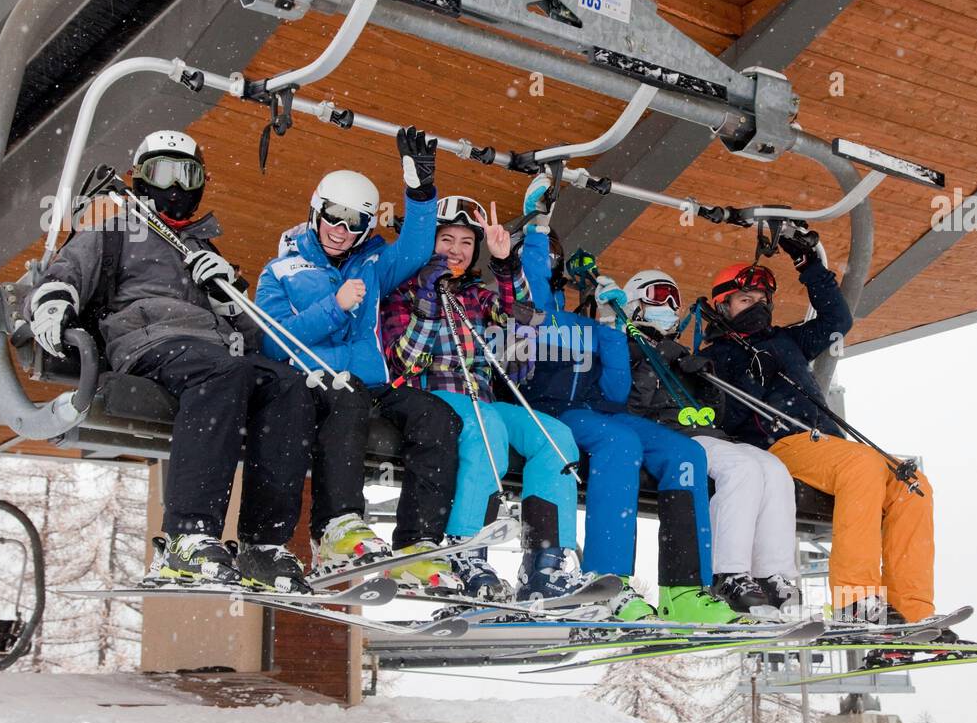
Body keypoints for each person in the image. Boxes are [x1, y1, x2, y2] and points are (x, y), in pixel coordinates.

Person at [27, 130, 314, 591]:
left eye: (188, 174)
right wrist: (53, 301)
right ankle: (189, 534)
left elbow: (249, 337)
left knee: (287, 387)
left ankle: (263, 545)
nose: (176, 186)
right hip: (147, 341)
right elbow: (67, 270)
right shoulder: (116, 229)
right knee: (222, 372)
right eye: (164, 173)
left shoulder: (205, 250)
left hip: (214, 354)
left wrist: (227, 300)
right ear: (140, 179)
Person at [518, 176, 748, 625]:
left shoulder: (591, 326)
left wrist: (611, 327)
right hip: (551, 410)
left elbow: (617, 392)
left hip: (597, 411)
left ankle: (684, 589)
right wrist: (537, 227)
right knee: (619, 443)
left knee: (685, 453)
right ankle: (608, 579)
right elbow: (534, 281)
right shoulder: (539, 314)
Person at [255, 127, 465, 591]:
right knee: (346, 396)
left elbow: (414, 248)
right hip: (315, 385)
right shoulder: (282, 271)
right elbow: (274, 341)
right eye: (334, 216)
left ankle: (417, 543)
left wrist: (421, 191)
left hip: (372, 385)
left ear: (367, 229)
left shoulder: (371, 264)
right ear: (316, 210)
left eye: (355, 223)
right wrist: (336, 307)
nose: (341, 230)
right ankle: (335, 527)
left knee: (438, 418)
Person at [703, 229, 936, 623]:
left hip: (824, 443)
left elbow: (836, 321)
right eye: (746, 299)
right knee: (861, 467)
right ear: (722, 305)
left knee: (912, 486)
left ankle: (910, 611)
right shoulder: (716, 357)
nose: (757, 306)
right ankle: (855, 601)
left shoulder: (787, 340)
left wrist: (809, 266)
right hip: (780, 445)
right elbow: (724, 417)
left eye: (763, 300)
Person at [381, 195, 577, 600]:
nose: (456, 250)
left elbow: (521, 328)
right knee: (485, 428)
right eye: (446, 239)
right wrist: (430, 301)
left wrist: (506, 267)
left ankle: (545, 562)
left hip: (482, 398)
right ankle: (466, 551)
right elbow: (405, 362)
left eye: (466, 243)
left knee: (555, 437)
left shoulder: (476, 296)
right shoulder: (403, 289)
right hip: (430, 394)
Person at [618, 268, 801, 616]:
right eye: (659, 297)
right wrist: (650, 365)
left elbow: (714, 413)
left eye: (674, 300)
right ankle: (728, 571)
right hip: (669, 437)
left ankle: (772, 574)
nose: (669, 306)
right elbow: (627, 406)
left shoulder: (678, 352)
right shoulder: (627, 349)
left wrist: (706, 380)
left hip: (707, 434)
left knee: (774, 469)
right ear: (634, 304)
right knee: (741, 468)